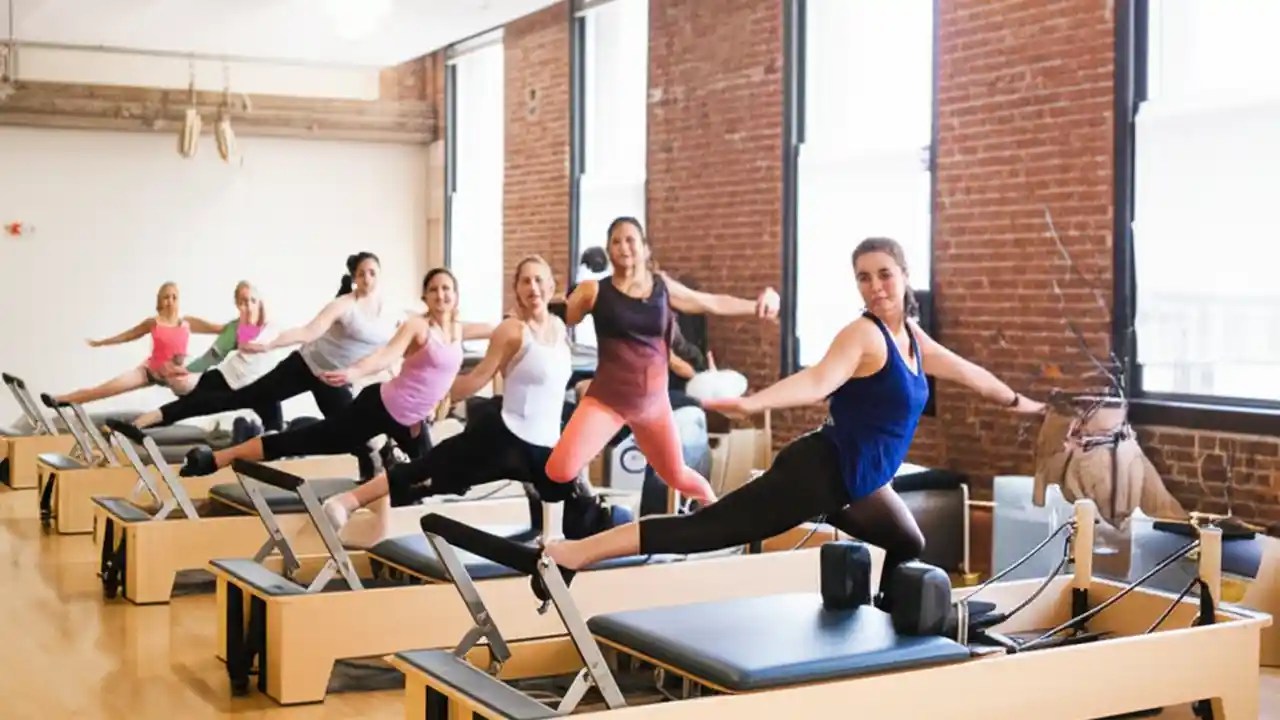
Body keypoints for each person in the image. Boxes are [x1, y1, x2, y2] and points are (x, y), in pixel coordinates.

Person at [543, 237, 1046, 605]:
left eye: (883, 274)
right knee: (702, 530)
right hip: (819, 472)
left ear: (904, 273)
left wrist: (1023, 404)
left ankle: (890, 626)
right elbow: (816, 381)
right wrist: (753, 403)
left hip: (862, 482)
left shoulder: (912, 338)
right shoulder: (864, 336)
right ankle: (575, 553)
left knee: (907, 541)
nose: (874, 286)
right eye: (864, 277)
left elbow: (968, 372)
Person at [320, 256, 627, 541]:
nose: (532, 287)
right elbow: (479, 377)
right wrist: (439, 396)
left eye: (538, 280)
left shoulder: (560, 329)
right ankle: (347, 502)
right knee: (429, 470)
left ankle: (549, 552)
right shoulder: (512, 331)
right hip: (505, 436)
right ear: (516, 290)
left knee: (570, 515)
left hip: (546, 446)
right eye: (525, 282)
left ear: (550, 286)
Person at [547, 216, 780, 506]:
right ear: (608, 251)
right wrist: (532, 301)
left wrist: (756, 307)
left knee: (678, 476)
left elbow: (710, 302)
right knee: (559, 469)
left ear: (645, 249)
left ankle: (716, 516)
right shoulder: (594, 291)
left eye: (630, 239)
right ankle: (586, 514)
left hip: (653, 405)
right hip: (608, 400)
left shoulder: (662, 288)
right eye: (616, 241)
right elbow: (556, 319)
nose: (624, 247)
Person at [179, 267, 487, 477]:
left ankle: (381, 486)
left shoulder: (460, 330)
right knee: (308, 440)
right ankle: (218, 458)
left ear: (456, 295)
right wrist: (353, 372)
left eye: (446, 288)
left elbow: (499, 330)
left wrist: (521, 324)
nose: (441, 294)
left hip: (412, 421)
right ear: (425, 298)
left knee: (430, 477)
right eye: (433, 290)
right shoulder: (418, 326)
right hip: (380, 407)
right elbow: (384, 356)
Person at [132, 253, 404, 476]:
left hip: (332, 380)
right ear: (355, 279)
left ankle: (373, 465)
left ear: (380, 275)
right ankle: (150, 420)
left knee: (348, 429)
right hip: (303, 366)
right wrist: (269, 345)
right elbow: (307, 332)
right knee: (233, 399)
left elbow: (393, 349)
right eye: (361, 273)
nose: (367, 278)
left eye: (372, 272)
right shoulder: (344, 305)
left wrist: (391, 373)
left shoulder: (393, 314)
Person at [134, 281, 285, 433]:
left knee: (276, 428)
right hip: (228, 381)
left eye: (253, 301)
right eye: (243, 302)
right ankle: (136, 425)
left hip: (261, 386)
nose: (249, 306)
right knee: (187, 406)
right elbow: (211, 357)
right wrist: (186, 370)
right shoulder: (235, 329)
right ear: (238, 305)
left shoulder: (271, 328)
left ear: (260, 303)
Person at [53, 282, 225, 405]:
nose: (170, 301)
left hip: (178, 377)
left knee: (202, 380)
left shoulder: (187, 323)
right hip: (150, 372)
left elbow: (219, 329)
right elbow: (129, 335)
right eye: (166, 297)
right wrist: (103, 343)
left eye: (174, 297)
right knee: (107, 388)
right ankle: (64, 399)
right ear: (160, 301)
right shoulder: (153, 323)